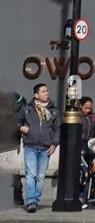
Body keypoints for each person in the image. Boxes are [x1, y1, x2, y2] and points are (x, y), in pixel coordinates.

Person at [18, 83, 58, 213]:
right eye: (43, 91)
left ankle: (35, 199)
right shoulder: (27, 108)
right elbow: (15, 121)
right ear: (36, 95)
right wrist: (21, 127)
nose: (46, 93)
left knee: (40, 176)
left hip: (45, 147)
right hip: (30, 145)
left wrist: (54, 144)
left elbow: (57, 129)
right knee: (31, 174)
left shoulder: (54, 110)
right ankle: (31, 201)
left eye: (47, 91)